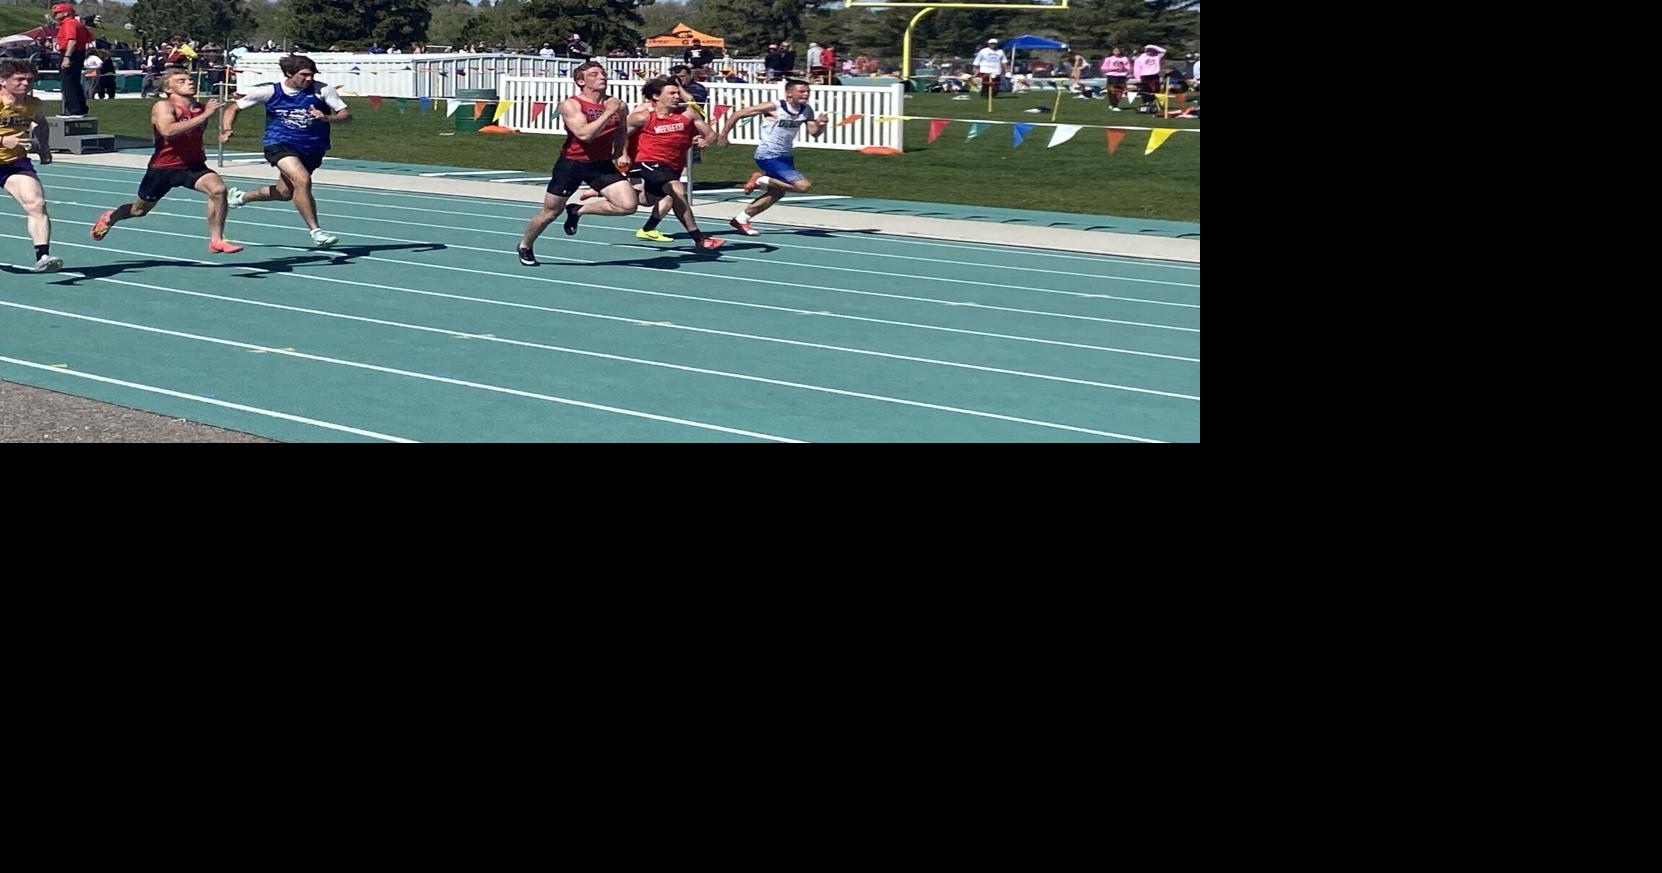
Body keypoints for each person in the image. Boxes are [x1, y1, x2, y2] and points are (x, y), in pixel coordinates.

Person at [90, 68, 243, 254]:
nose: (189, 82)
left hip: (192, 166)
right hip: (163, 168)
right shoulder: (163, 107)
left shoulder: (202, 107)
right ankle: (110, 217)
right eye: (181, 81)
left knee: (218, 190)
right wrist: (205, 115)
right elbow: (168, 131)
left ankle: (216, 240)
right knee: (139, 210)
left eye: (189, 79)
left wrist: (226, 129)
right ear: (168, 89)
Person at [220, 54, 350, 248]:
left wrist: (325, 118)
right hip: (279, 143)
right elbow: (233, 109)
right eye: (304, 75)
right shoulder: (270, 91)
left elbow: (345, 115)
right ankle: (316, 231)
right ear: (289, 73)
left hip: (312, 148)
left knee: (284, 192)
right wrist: (227, 129)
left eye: (312, 74)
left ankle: (241, 197)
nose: (309, 79)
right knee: (302, 179)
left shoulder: (322, 90)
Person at [514, 61, 636, 266]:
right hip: (572, 164)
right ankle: (525, 245)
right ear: (581, 81)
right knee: (550, 212)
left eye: (603, 73)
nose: (602, 77)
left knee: (628, 205)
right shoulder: (572, 104)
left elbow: (622, 130)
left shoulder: (618, 105)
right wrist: (607, 113)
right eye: (594, 74)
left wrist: (621, 152)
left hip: (601, 163)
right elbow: (584, 134)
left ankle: (577, 210)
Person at [715, 78, 829, 237]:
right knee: (803, 186)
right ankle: (761, 179)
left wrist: (821, 124)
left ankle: (741, 219)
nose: (806, 94)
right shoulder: (774, 107)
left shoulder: (806, 110)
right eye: (801, 91)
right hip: (768, 155)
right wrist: (724, 134)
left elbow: (814, 133)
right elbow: (738, 113)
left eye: (808, 91)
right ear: (789, 93)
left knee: (777, 193)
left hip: (786, 156)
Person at [622, 77, 724, 249]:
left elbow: (712, 134)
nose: (677, 96)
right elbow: (620, 135)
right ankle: (699, 238)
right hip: (648, 161)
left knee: (647, 200)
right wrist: (623, 154)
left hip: (673, 165)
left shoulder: (688, 114)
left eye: (678, 92)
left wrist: (705, 140)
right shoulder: (643, 115)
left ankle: (608, 192)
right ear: (656, 96)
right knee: (677, 189)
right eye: (672, 93)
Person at [0, 60, 61, 272]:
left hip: (12, 162)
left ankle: (43, 256)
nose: (25, 83)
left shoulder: (33, 104)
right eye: (19, 79)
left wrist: (44, 147)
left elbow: (41, 123)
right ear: (3, 81)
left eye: (29, 79)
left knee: (36, 203)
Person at [51, 3, 92, 118]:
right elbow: (90, 37)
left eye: (57, 13)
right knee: (74, 81)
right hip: (79, 52)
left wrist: (67, 57)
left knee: (68, 82)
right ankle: (81, 108)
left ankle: (74, 110)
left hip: (70, 53)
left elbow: (72, 41)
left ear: (66, 13)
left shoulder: (68, 23)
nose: (55, 15)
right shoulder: (78, 24)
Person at [1133, 43, 1165, 112]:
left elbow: (1163, 51)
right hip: (1144, 76)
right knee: (1145, 91)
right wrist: (1138, 78)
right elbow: (1136, 69)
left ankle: (1154, 104)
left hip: (1154, 75)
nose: (1150, 51)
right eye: (1148, 50)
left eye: (1151, 50)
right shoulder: (1140, 58)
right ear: (1145, 50)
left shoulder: (1157, 56)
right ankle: (1146, 104)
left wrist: (1152, 46)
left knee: (1156, 91)